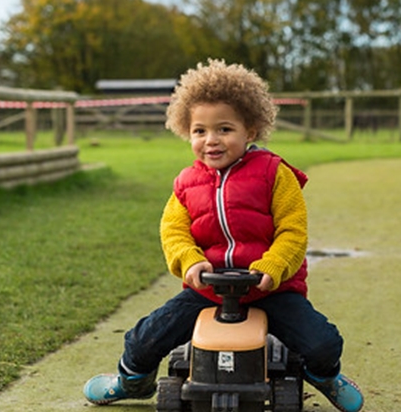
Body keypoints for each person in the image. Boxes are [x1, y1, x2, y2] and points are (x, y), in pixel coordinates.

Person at [82, 59, 364, 412]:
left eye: (225, 129)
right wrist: (190, 260)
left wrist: (274, 264)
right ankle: (132, 381)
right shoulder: (186, 183)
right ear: (187, 131)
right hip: (207, 289)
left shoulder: (276, 175)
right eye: (200, 131)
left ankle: (324, 377)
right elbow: (173, 231)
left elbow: (294, 230)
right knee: (144, 338)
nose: (211, 141)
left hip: (271, 289)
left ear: (251, 129)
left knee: (322, 343)